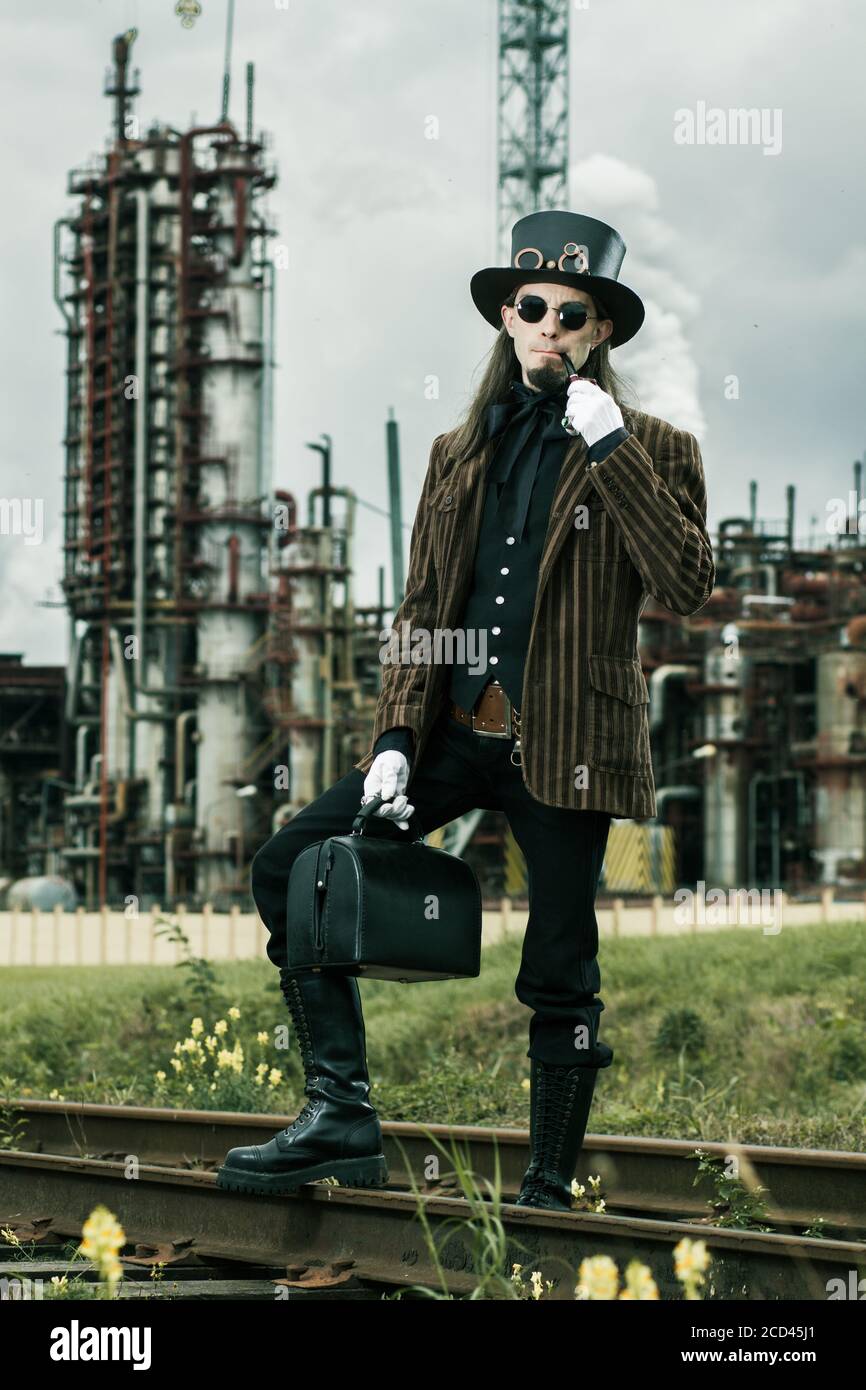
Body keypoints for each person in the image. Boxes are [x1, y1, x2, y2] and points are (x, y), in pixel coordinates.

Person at [217, 209, 715, 1209]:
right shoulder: (456, 451)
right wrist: (394, 740)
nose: (551, 328)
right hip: (446, 734)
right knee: (290, 867)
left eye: (574, 316)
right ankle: (340, 1115)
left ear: (602, 331)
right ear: (505, 313)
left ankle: (545, 1181)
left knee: (560, 964)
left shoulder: (653, 445)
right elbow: (417, 608)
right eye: (533, 309)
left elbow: (687, 579)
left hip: (565, 742)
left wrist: (609, 446)